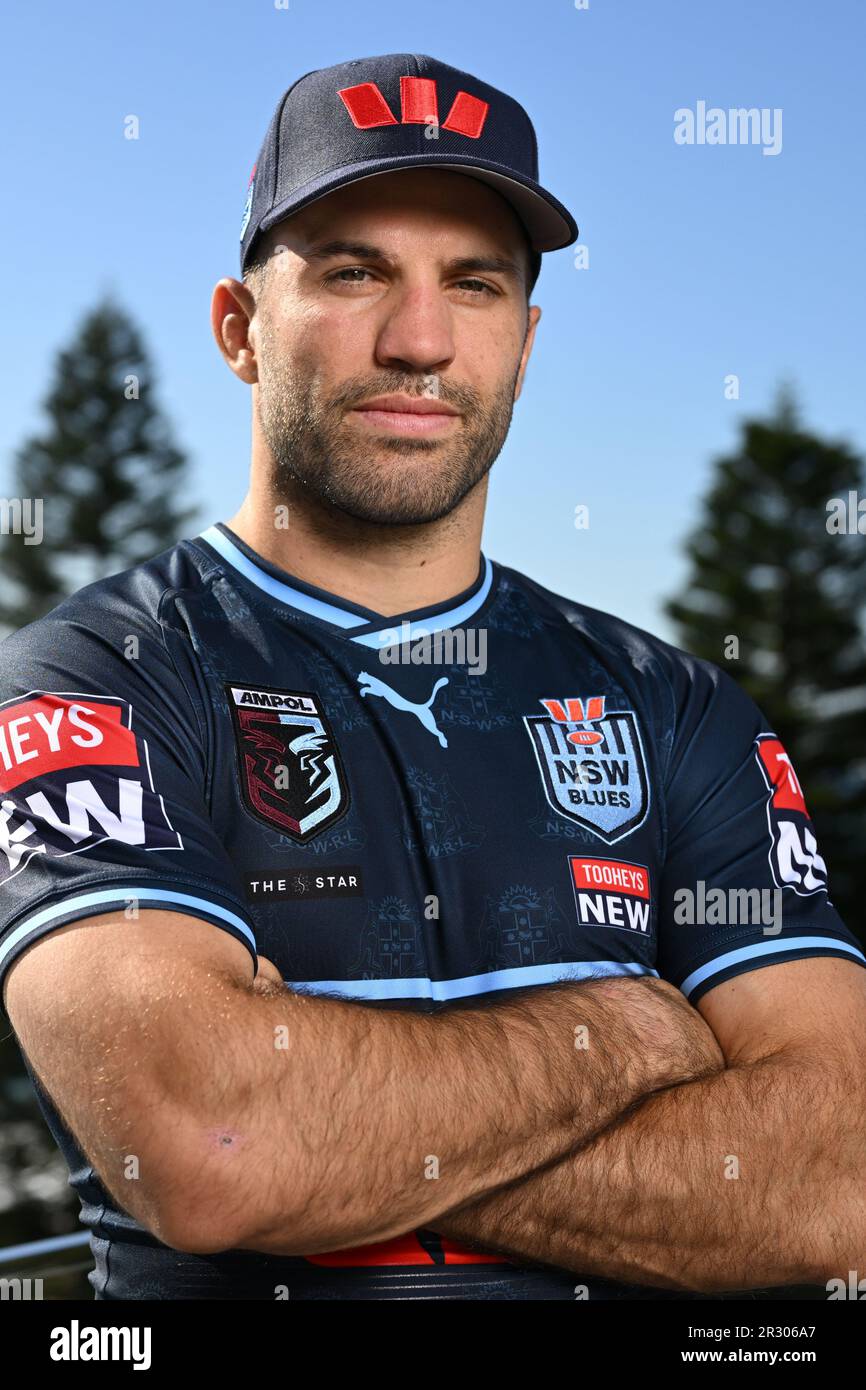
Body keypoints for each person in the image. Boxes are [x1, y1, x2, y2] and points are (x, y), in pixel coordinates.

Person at [1, 53, 864, 1302]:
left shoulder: (675, 704)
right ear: (239, 329)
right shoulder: (101, 675)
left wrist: (339, 1136)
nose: (418, 343)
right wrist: (632, 1032)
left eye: (474, 285)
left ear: (524, 335)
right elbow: (212, 1149)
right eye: (354, 273)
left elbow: (834, 1181)